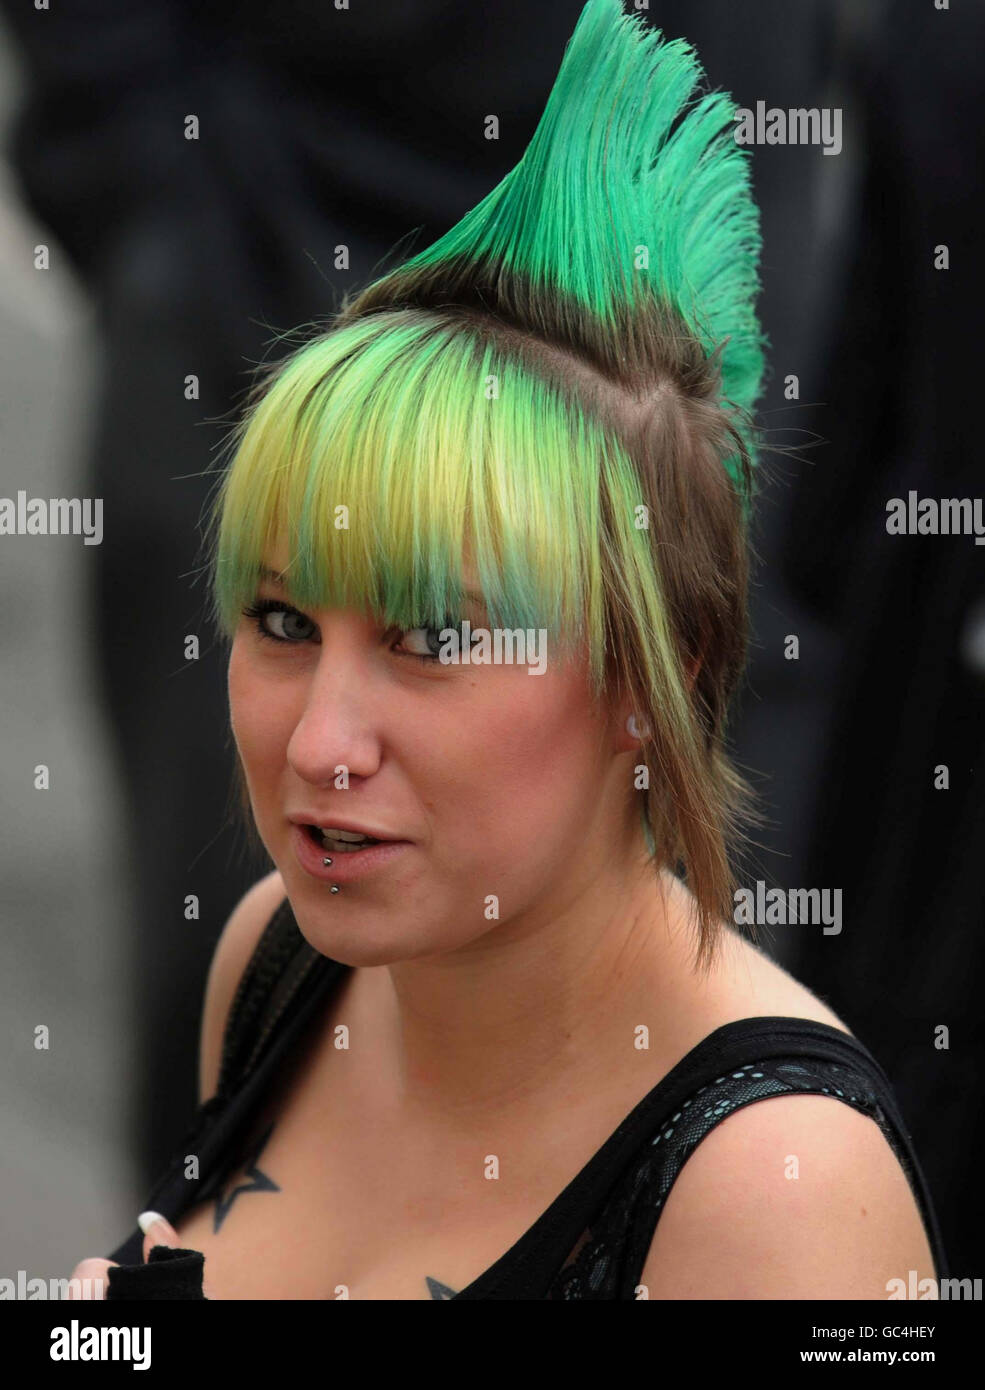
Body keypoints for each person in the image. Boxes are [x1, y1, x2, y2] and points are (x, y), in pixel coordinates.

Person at [72, 0, 946, 1299]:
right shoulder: (279, 961)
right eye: (281, 623)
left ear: (656, 682)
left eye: (430, 638)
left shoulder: (774, 1189)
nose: (318, 742)